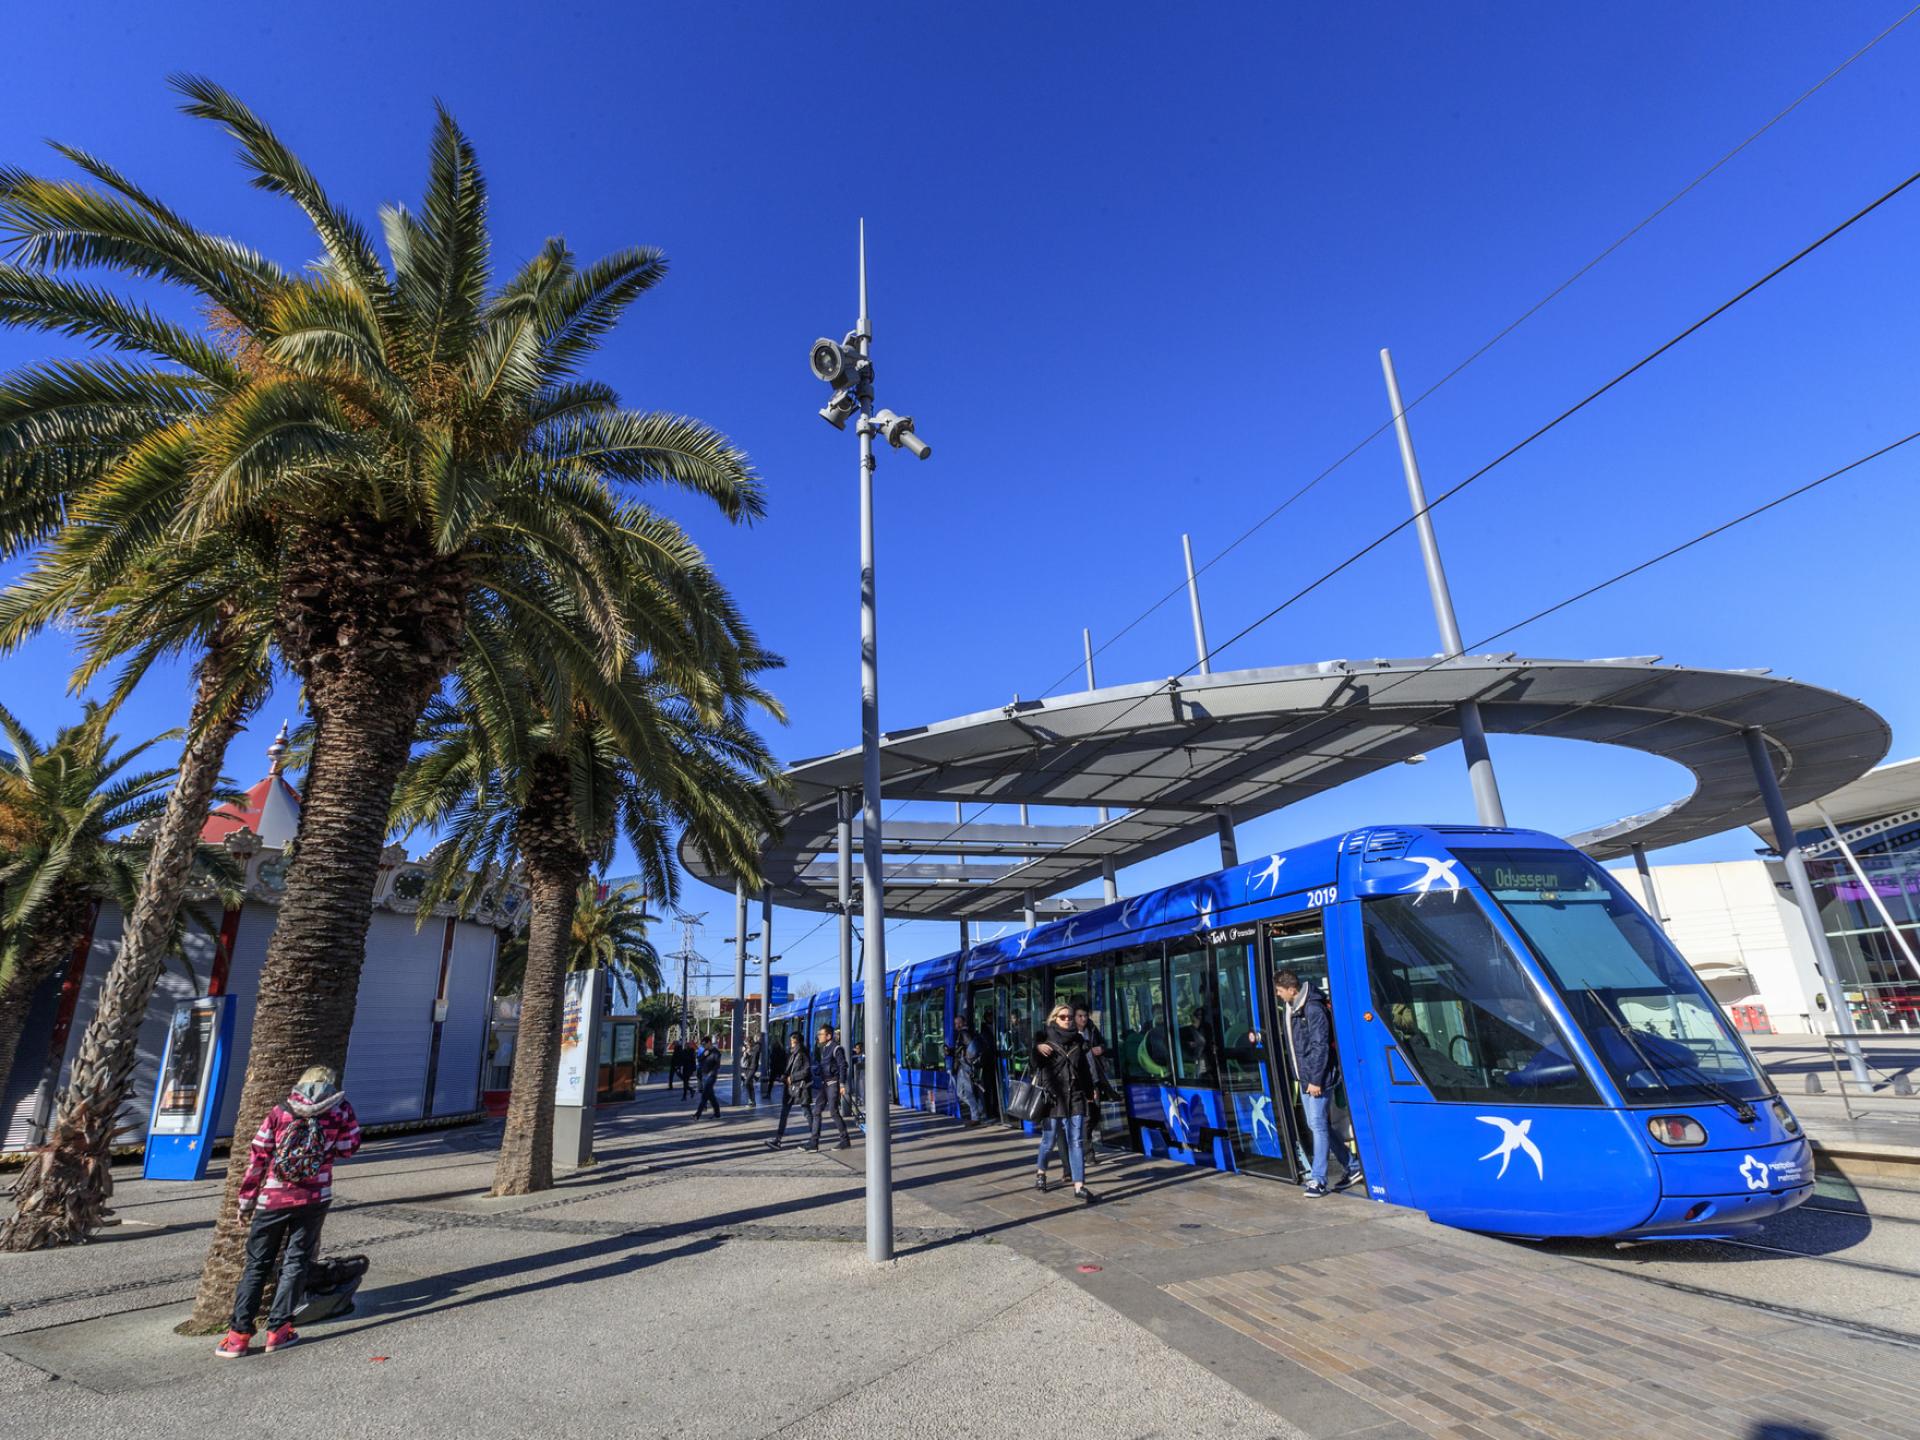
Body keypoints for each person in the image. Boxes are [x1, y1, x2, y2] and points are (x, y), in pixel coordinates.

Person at [215, 1066, 363, 1358]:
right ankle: (278, 1331)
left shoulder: (280, 1112)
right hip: (314, 1197)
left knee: (257, 1265)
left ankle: (238, 1336)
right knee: (296, 1262)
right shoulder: (340, 1110)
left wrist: (246, 1200)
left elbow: (258, 1156)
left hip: (272, 1199)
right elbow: (349, 1147)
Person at [1273, 969, 1359, 1197]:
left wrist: (1315, 1079)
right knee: (1316, 1124)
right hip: (1305, 1078)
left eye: (1280, 991)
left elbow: (1320, 1047)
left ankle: (1318, 1179)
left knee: (1318, 1125)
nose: (1278, 995)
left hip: (1316, 1079)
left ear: (1292, 989)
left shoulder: (1312, 1008)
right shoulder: (1292, 1008)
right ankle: (1351, 1165)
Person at [1030, 1002, 1097, 1204]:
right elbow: (1034, 1065)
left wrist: (1090, 1092)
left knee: (1076, 1141)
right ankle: (1041, 1172)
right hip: (1053, 1099)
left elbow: (1083, 1069)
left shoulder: (1079, 1041)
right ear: (1054, 1019)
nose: (1067, 1020)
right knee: (1048, 1142)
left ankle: (1079, 1186)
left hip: (1075, 1097)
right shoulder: (1044, 1039)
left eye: (1070, 1016)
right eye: (1063, 1017)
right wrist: (1036, 1049)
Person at [805, 1022, 852, 1151]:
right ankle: (814, 1143)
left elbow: (843, 1066)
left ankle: (845, 1140)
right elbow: (826, 1066)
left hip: (833, 1084)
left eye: (821, 1034)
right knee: (816, 1111)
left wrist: (842, 1084)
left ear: (829, 1036)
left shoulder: (837, 1048)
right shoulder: (825, 1048)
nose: (818, 1036)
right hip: (825, 1084)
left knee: (833, 1112)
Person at [765, 1033, 810, 1150]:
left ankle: (815, 1137)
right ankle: (778, 1139)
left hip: (799, 1088)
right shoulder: (792, 1053)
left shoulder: (802, 1053)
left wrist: (792, 1077)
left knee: (807, 1112)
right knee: (785, 1113)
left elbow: (806, 1071)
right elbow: (789, 1068)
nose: (791, 1043)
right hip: (790, 1088)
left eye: (793, 1041)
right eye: (791, 1041)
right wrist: (784, 1076)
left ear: (798, 1042)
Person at [946, 1019, 984, 1127]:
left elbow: (972, 1051)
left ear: (964, 1023)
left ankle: (975, 1117)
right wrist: (951, 1052)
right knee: (960, 1093)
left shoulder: (964, 1033)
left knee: (967, 1092)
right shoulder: (963, 1034)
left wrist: (967, 1061)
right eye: (955, 1023)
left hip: (966, 1067)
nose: (957, 1025)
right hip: (962, 1067)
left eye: (959, 1023)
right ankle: (979, 1108)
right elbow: (960, 1050)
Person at [693, 1035, 725, 1119]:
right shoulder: (705, 1051)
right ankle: (717, 1113)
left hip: (711, 1076)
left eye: (704, 1044)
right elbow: (699, 1059)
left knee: (704, 1095)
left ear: (709, 1042)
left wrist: (712, 1072)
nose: (703, 1045)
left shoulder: (716, 1052)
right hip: (705, 1075)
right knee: (711, 1096)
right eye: (702, 1044)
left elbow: (717, 1065)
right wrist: (704, 1055)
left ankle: (697, 1114)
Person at [737, 1029, 764, 1110]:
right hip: (748, 1067)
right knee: (750, 1084)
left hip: (753, 1067)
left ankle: (751, 1101)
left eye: (748, 1044)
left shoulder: (757, 1046)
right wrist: (746, 1052)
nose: (747, 1045)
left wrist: (749, 1051)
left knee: (746, 1082)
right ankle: (752, 1102)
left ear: (751, 1042)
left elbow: (756, 1050)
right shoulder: (750, 1048)